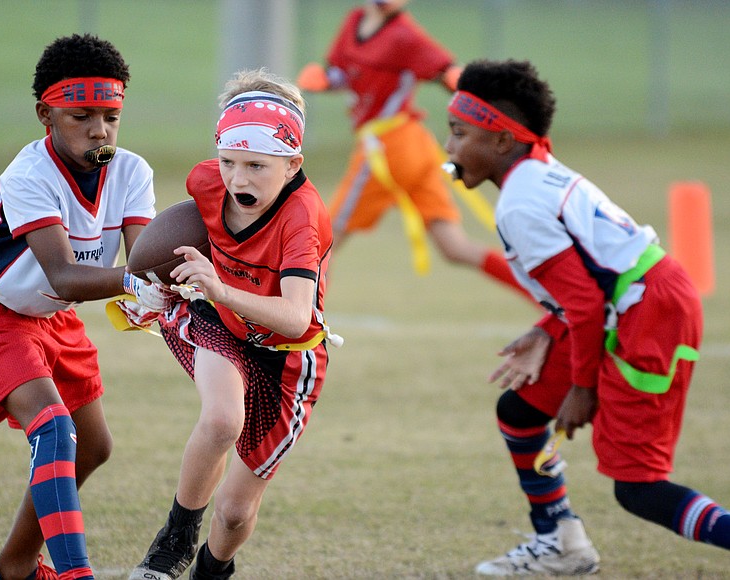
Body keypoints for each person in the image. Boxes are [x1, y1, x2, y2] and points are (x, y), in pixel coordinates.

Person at [443, 58, 730, 576]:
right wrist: (544, 329)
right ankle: (560, 541)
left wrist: (582, 387)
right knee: (520, 412)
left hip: (648, 313)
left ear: (503, 141)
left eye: (460, 133)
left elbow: (587, 302)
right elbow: (589, 284)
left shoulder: (520, 205)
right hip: (625, 302)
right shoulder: (536, 174)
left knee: (639, 489)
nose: (449, 147)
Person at [0, 33, 171, 580]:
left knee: (93, 446)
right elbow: (65, 277)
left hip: (51, 316)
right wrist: (139, 285)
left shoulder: (132, 171)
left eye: (111, 115)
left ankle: (11, 568)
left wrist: (171, 293)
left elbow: (142, 260)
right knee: (54, 430)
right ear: (45, 113)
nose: (99, 129)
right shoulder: (28, 176)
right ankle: (73, 574)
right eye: (80, 115)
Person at [128, 69, 336, 580]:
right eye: (228, 161)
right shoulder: (205, 182)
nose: (238, 179)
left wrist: (222, 289)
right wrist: (150, 285)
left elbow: (295, 317)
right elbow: (153, 249)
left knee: (236, 512)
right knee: (222, 419)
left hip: (287, 356)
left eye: (257, 167)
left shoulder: (302, 216)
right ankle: (173, 542)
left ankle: (212, 570)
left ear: (293, 164)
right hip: (219, 323)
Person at [296, 0, 530, 301]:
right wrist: (325, 81)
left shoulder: (404, 35)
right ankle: (546, 294)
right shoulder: (355, 21)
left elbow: (447, 72)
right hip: (412, 145)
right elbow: (345, 75)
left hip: (387, 148)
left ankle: (300, 324)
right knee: (454, 247)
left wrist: (488, 97)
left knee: (322, 238)